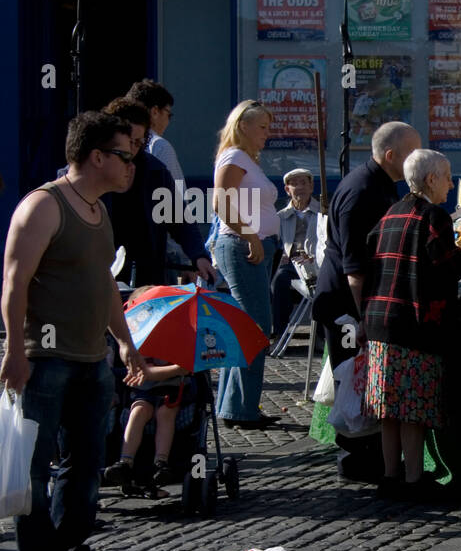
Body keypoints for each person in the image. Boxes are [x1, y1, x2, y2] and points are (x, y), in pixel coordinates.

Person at [1, 111, 146, 551]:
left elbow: (104, 284)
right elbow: (14, 282)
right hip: (45, 360)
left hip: (91, 359)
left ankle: (67, 547)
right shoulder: (44, 206)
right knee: (34, 463)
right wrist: (14, 351)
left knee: (85, 464)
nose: (132, 165)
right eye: (125, 155)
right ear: (96, 156)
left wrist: (124, 342)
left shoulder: (99, 209)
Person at [313, 121, 421, 480]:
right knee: (352, 377)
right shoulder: (362, 191)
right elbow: (354, 269)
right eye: (411, 152)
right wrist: (363, 319)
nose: (416, 159)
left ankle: (367, 457)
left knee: (360, 377)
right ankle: (356, 461)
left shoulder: (379, 183)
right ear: (391, 156)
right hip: (345, 301)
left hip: (353, 297)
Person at [363, 149, 461, 501]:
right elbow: (447, 265)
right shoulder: (434, 216)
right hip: (413, 321)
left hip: (380, 319)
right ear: (431, 179)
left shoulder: (390, 212)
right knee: (411, 408)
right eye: (448, 176)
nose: (451, 184)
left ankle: (390, 476)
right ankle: (413, 480)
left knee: (388, 405)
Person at [210, 100, 281, 429]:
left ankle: (235, 405)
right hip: (242, 247)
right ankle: (241, 408)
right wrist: (251, 237)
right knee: (255, 327)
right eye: (263, 127)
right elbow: (220, 200)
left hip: (250, 247)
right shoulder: (236, 157)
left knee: (246, 328)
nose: (268, 133)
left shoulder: (246, 160)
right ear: (244, 127)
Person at [101, 97, 216, 287]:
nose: (132, 150)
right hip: (103, 273)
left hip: (147, 274)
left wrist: (197, 256)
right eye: (128, 142)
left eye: (139, 143)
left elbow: (179, 218)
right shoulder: (98, 168)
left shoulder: (154, 171)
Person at [103, 287, 188, 497]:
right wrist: (172, 369)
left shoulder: (176, 336)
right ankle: (125, 461)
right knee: (138, 412)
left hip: (172, 390)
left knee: (165, 414)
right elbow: (144, 371)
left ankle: (161, 462)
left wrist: (168, 371)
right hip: (145, 391)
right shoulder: (137, 340)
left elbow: (181, 368)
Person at [271, 168, 320, 338]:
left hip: (317, 263)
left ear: (311, 187)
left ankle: (320, 336)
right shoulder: (280, 217)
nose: (299, 187)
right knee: (279, 280)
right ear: (287, 189)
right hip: (292, 264)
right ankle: (279, 332)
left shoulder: (323, 213)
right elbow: (274, 242)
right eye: (294, 184)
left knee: (326, 283)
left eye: (303, 183)